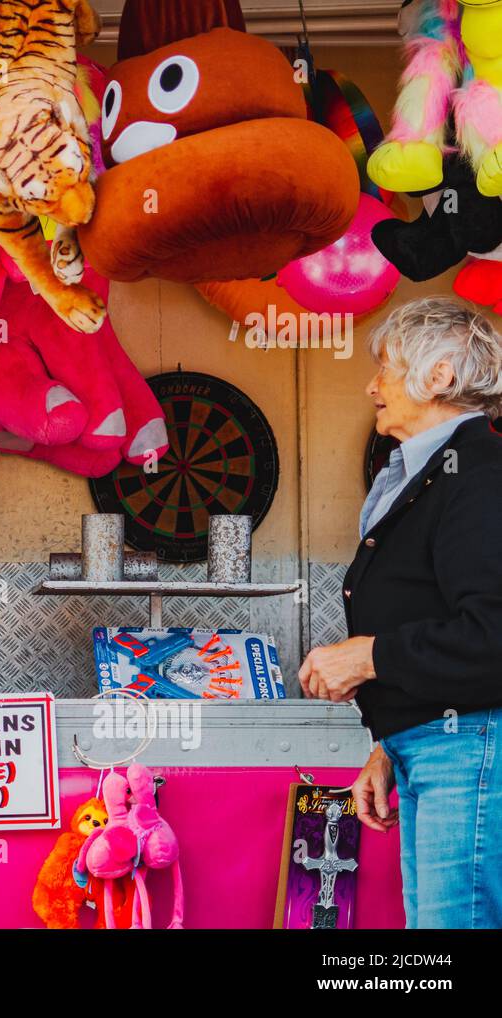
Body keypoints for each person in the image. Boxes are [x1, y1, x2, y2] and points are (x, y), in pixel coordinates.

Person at [298, 297, 502, 929]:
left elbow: (492, 633)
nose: (371, 385)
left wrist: (368, 656)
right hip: (439, 749)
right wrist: (389, 745)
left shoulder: (479, 474)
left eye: (384, 366)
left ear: (438, 375)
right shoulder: (435, 472)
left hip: (472, 752)